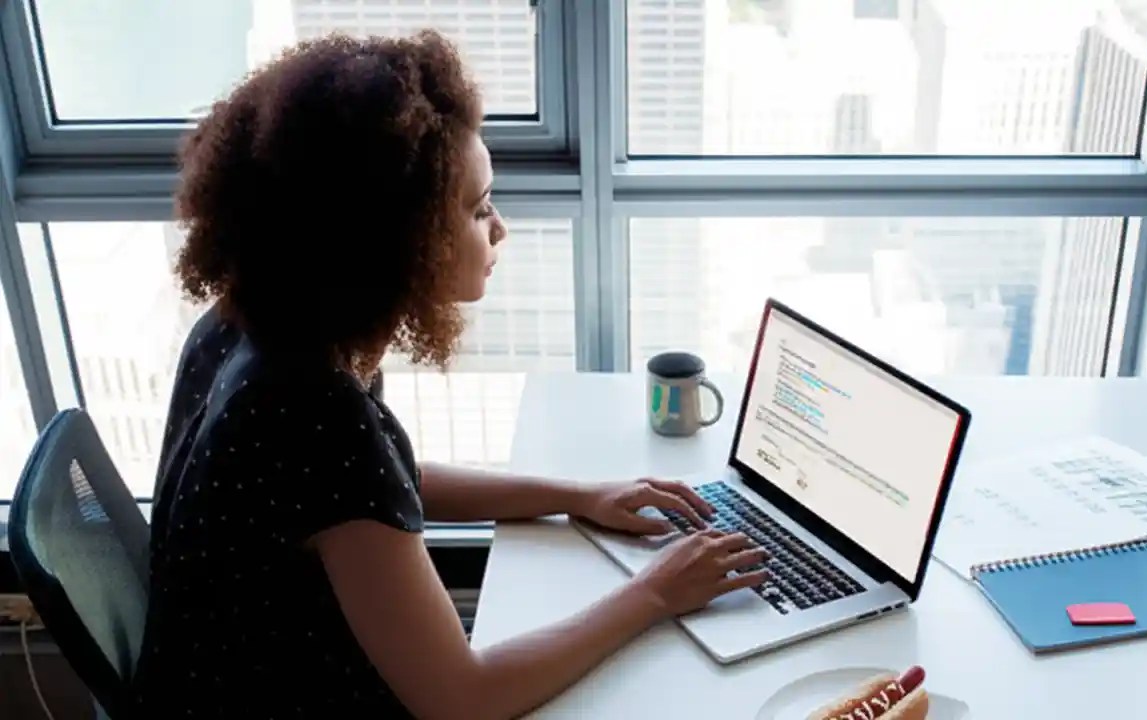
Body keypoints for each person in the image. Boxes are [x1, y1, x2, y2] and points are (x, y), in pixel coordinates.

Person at [130, 30, 769, 719]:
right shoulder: (315, 412)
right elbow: (462, 699)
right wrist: (655, 594)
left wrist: (577, 494)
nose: (499, 229)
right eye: (476, 208)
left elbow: (376, 488)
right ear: (392, 238)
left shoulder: (260, 326)